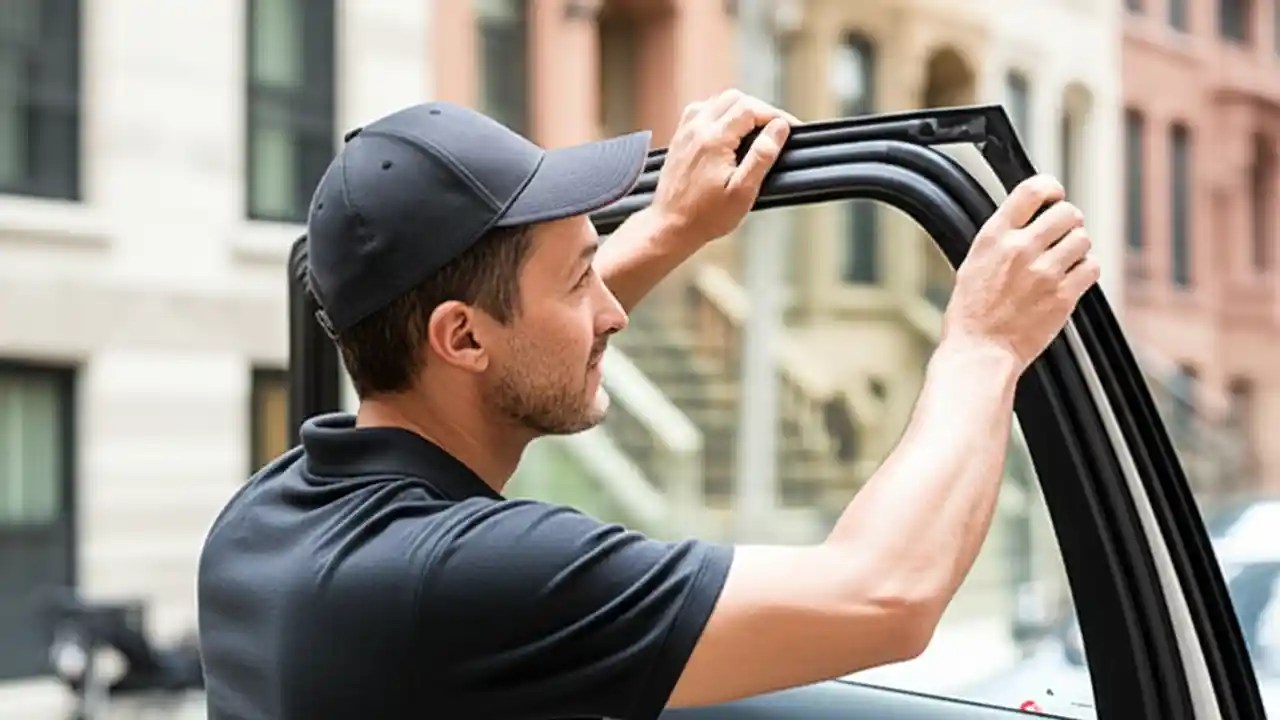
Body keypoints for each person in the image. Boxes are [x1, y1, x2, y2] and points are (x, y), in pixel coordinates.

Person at [196, 89, 1098, 720]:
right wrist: (984, 343)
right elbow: (884, 595)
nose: (613, 312)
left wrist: (668, 229)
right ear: (460, 338)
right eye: (579, 279)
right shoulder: (461, 579)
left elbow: (513, 343)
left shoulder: (265, 520)